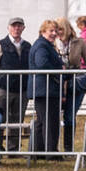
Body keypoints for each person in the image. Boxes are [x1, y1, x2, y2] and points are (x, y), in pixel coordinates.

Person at [0, 17, 30, 153]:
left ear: (23, 28)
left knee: (17, 120)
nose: (16, 28)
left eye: (19, 26)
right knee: (0, 119)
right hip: (3, 89)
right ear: (8, 28)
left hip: (22, 90)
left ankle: (13, 149)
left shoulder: (28, 46)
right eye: (14, 26)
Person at [55, 18, 86, 154]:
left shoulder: (79, 42)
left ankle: (68, 149)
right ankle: (51, 148)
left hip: (75, 82)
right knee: (53, 114)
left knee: (70, 115)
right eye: (56, 30)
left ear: (66, 29)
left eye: (60, 29)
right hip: (57, 83)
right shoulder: (52, 42)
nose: (57, 33)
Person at [28, 20, 64, 158]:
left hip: (45, 89)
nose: (54, 33)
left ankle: (38, 152)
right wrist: (60, 70)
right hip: (45, 90)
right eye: (51, 31)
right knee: (49, 121)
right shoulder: (42, 46)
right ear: (43, 31)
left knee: (42, 121)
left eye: (56, 31)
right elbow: (41, 63)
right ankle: (50, 152)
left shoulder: (45, 45)